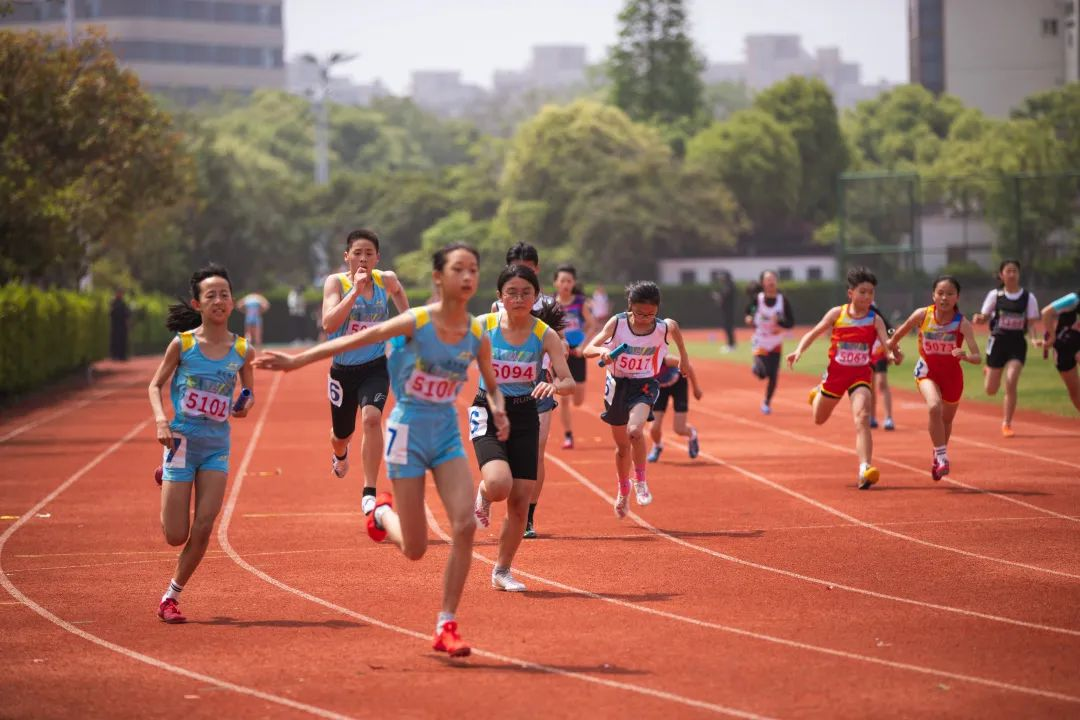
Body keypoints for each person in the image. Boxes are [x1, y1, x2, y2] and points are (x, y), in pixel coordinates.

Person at [255, 243, 506, 658]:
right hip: (408, 434)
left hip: (446, 435)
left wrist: (499, 410)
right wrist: (297, 361)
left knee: (464, 526)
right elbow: (356, 338)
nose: (467, 277)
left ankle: (446, 624)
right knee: (415, 548)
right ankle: (381, 512)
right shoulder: (415, 321)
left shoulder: (477, 332)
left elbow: (492, 386)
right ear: (438, 277)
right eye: (458, 269)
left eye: (473, 270)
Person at [147, 265, 254, 624]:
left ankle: (171, 597)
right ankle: (167, 474)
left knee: (205, 525)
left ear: (233, 302)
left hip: (216, 447)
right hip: (180, 442)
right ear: (198, 303)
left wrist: (244, 404)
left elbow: (249, 392)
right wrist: (161, 419)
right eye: (211, 295)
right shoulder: (184, 344)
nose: (219, 301)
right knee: (175, 535)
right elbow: (154, 385)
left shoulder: (242, 349)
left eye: (225, 294)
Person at [472, 265, 574, 591]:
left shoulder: (544, 334)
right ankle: (484, 492)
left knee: (519, 501)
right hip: (489, 410)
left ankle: (502, 571)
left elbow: (568, 380)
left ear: (535, 296)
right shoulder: (483, 326)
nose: (518, 298)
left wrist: (554, 386)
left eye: (525, 293)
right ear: (500, 296)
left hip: (524, 413)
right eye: (511, 293)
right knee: (498, 485)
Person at [582, 281, 696, 517]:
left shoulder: (663, 327)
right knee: (622, 447)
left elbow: (675, 331)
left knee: (635, 431)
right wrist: (603, 351)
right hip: (617, 386)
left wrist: (684, 359)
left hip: (644, 384)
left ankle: (641, 481)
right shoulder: (617, 323)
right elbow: (587, 349)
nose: (645, 319)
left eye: (651, 314)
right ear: (630, 306)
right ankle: (623, 490)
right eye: (640, 313)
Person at [320, 229, 409, 516]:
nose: (363, 258)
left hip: (375, 367)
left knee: (372, 419)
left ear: (377, 257)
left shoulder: (386, 280)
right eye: (357, 253)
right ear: (346, 256)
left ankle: (369, 491)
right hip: (342, 371)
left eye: (369, 253)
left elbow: (398, 291)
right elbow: (329, 324)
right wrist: (355, 291)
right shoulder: (335, 283)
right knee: (341, 435)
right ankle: (340, 454)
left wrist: (408, 321)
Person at [787, 267, 894, 490]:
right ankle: (818, 391)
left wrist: (893, 354)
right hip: (836, 376)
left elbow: (887, 344)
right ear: (850, 293)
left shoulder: (875, 320)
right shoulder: (838, 314)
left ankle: (865, 468)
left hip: (860, 376)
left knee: (862, 417)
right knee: (819, 418)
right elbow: (813, 333)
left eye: (871, 292)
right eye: (862, 292)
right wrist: (798, 351)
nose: (867, 297)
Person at [492, 243, 561, 540]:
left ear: (537, 269)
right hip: (503, 388)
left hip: (540, 383)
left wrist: (556, 360)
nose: (522, 271)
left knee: (537, 449)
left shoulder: (548, 304)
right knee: (506, 456)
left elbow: (559, 342)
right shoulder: (498, 307)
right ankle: (501, 493)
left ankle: (528, 515)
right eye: (516, 266)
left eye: (528, 267)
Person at [887, 276, 982, 480]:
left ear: (957, 297)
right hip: (927, 372)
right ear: (933, 295)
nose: (944, 297)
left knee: (946, 421)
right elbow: (897, 335)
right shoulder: (922, 315)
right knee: (934, 406)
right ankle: (942, 456)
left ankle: (938, 455)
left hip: (952, 377)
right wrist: (893, 349)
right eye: (940, 293)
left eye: (949, 294)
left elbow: (978, 357)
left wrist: (965, 355)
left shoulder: (962, 324)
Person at [972, 259, 1041, 437]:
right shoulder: (995, 295)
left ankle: (1007, 423)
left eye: (1014, 271)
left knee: (1011, 381)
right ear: (1001, 275)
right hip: (998, 343)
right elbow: (985, 316)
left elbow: (1031, 324)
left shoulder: (1028, 297)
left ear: (1019, 274)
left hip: (1017, 344)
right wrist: (980, 318)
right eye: (1008, 271)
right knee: (991, 390)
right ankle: (989, 370)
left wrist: (1034, 339)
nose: (1011, 274)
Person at [554, 264, 595, 450]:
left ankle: (569, 430)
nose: (565, 284)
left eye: (569, 281)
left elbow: (592, 324)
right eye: (562, 280)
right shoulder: (551, 304)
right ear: (556, 283)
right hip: (559, 353)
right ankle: (568, 435)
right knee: (563, 397)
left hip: (577, 353)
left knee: (578, 400)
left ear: (573, 283)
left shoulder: (580, 302)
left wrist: (582, 346)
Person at [744, 270, 794, 415]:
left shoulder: (782, 300)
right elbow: (750, 310)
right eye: (768, 279)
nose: (771, 282)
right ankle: (756, 368)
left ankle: (766, 402)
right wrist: (749, 317)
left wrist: (781, 325)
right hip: (760, 340)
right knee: (762, 373)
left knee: (773, 375)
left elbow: (791, 322)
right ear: (763, 283)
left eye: (773, 279)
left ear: (776, 281)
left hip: (776, 342)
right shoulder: (758, 299)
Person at [646, 355, 703, 462]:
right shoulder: (640, 364)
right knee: (653, 429)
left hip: (678, 385)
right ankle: (658, 445)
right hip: (660, 389)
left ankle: (692, 434)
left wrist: (696, 388)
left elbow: (688, 366)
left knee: (679, 429)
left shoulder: (665, 360)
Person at [1040, 289, 1080, 412]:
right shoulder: (1073, 299)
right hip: (1064, 347)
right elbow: (1046, 312)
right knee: (1074, 390)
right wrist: (1052, 336)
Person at [868, 303, 896, 431]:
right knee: (869, 386)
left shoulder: (878, 319)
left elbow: (891, 331)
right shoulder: (857, 320)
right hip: (867, 355)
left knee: (882, 383)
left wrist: (894, 349)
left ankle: (888, 418)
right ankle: (871, 417)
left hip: (880, 354)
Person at [713, 271, 737, 352]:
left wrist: (718, 296)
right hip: (726, 310)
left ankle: (731, 345)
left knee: (728, 327)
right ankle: (731, 344)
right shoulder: (727, 285)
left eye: (722, 277)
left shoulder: (729, 285)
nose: (721, 279)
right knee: (727, 327)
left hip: (728, 310)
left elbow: (724, 296)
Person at [109, 289, 131, 361]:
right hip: (115, 325)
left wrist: (127, 323)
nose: (120, 294)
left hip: (122, 325)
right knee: (115, 340)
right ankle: (114, 355)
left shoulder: (123, 303)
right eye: (118, 293)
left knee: (123, 340)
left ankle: (122, 355)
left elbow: (126, 314)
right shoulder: (113, 303)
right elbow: (111, 313)